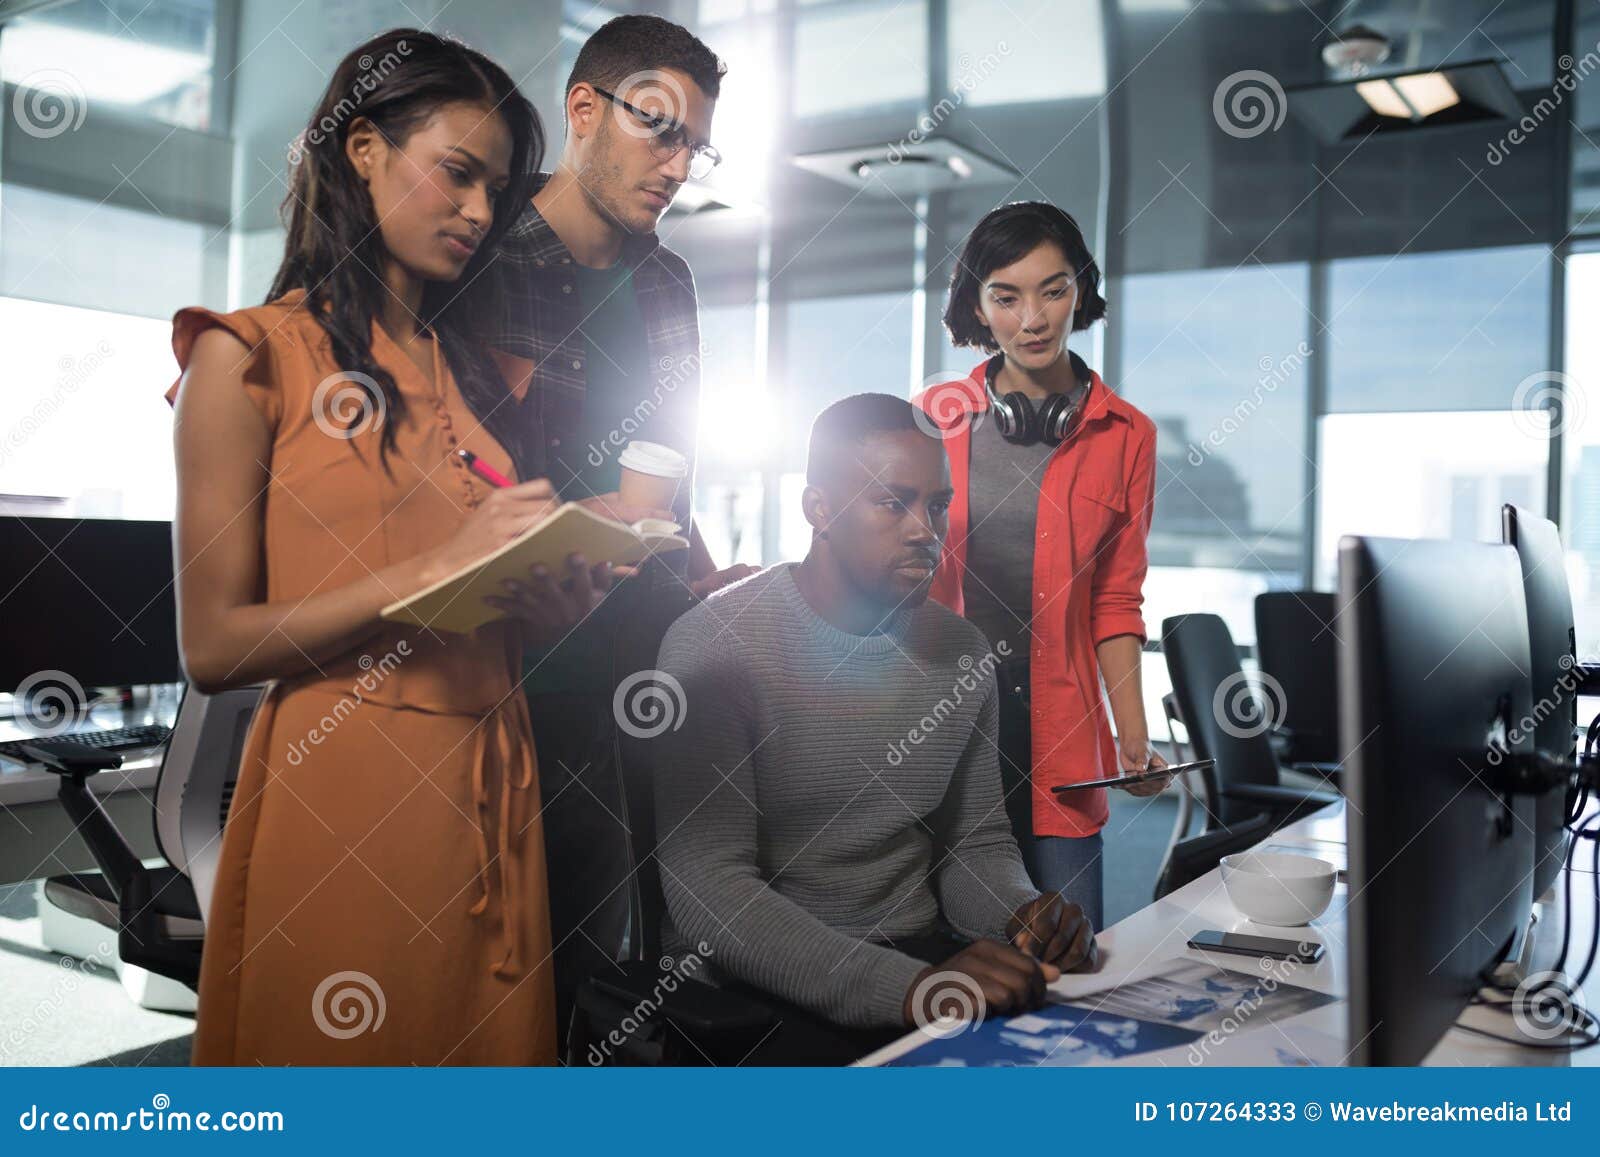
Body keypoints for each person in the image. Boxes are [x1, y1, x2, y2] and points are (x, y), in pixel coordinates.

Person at [166, 30, 661, 1065]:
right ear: (362, 154)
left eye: (495, 187)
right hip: (349, 782)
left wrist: (547, 592)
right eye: (457, 173)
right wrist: (432, 571)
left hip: (493, 779)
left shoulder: (468, 371)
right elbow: (212, 644)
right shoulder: (247, 355)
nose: (481, 213)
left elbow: (469, 589)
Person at [651, 393, 1099, 1065]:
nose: (925, 529)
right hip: (756, 993)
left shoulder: (964, 649)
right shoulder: (714, 645)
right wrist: (912, 988)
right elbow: (709, 891)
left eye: (938, 504)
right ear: (819, 509)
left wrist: (1019, 910)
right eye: (893, 502)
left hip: (917, 964)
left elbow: (973, 843)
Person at [480, 13, 753, 1027]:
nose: (677, 164)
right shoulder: (481, 257)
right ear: (584, 111)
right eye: (658, 128)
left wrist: (706, 574)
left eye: (695, 143)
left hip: (634, 661)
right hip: (508, 667)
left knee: (598, 967)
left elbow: (666, 471)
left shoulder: (667, 280)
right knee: (497, 972)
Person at [915, 202, 1167, 931]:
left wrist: (1133, 736)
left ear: (1080, 292)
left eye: (1053, 290)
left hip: (1060, 741)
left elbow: (1116, 600)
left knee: (1069, 960)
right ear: (978, 304)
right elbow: (899, 584)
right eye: (1006, 295)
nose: (1033, 318)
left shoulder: (1128, 435)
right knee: (955, 964)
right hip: (945, 731)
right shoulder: (934, 414)